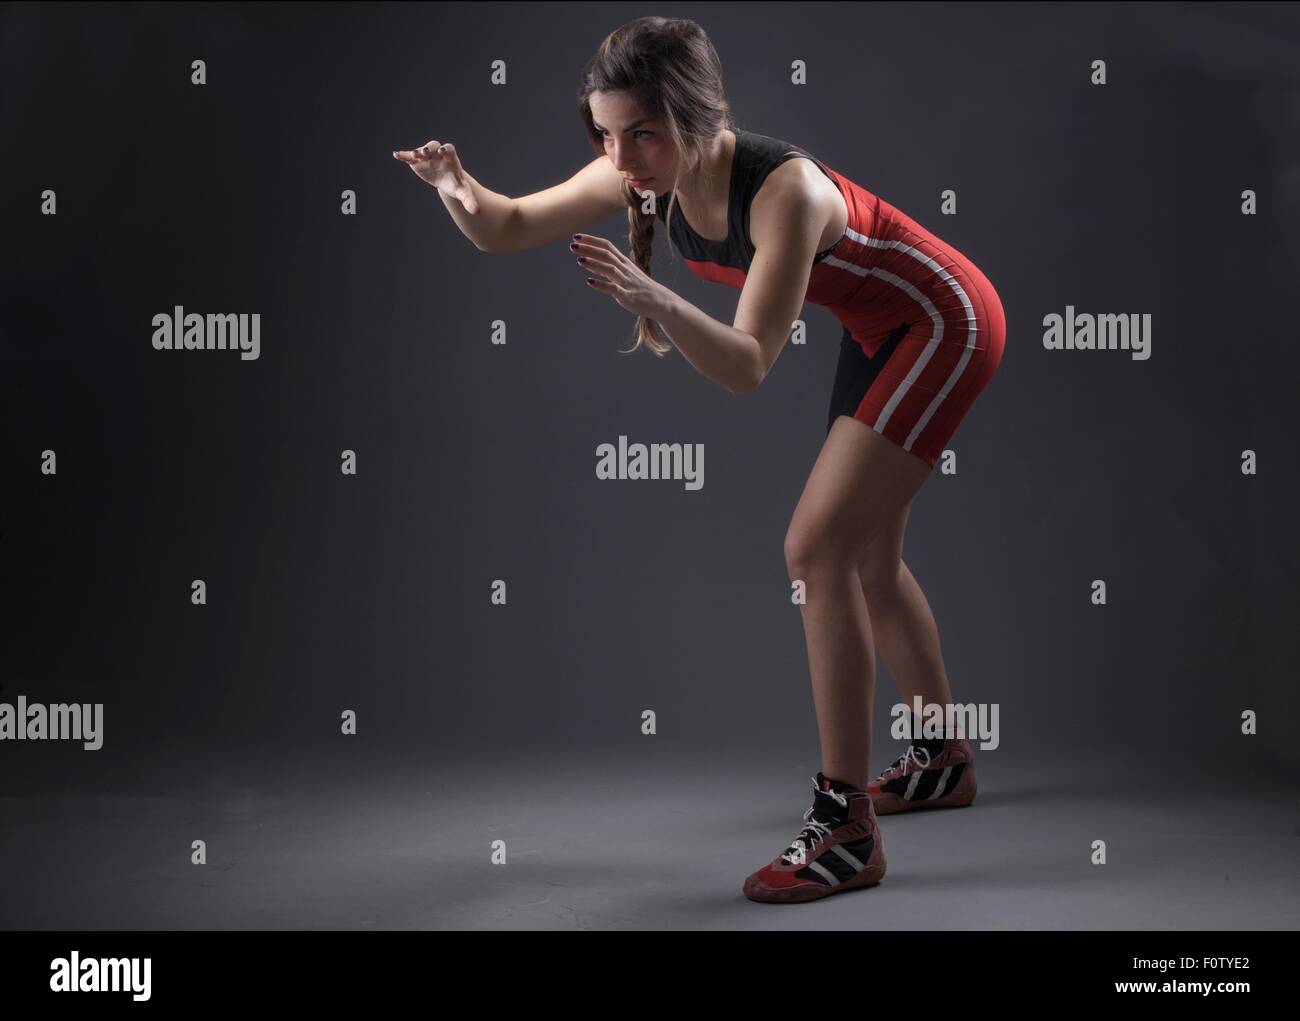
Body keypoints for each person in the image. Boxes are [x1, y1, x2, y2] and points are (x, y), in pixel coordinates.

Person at [393, 15, 1004, 904]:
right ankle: (942, 758)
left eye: (640, 131)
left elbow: (749, 366)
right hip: (882, 328)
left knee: (816, 549)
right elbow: (509, 224)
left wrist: (653, 296)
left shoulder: (782, 193)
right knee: (865, 555)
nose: (621, 154)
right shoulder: (641, 170)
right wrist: (456, 185)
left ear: (695, 115)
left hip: (946, 321)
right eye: (605, 133)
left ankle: (844, 827)